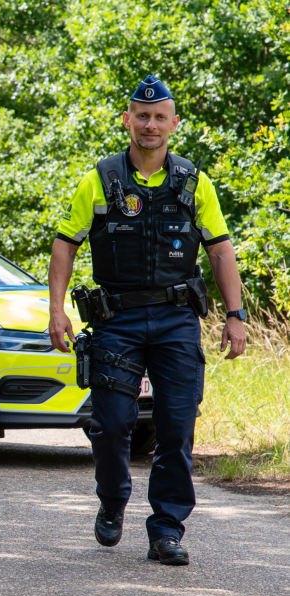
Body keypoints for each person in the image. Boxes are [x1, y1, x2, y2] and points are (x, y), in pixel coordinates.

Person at [48, 75, 247, 565]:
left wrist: (235, 315)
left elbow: (220, 251)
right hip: (117, 322)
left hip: (177, 320)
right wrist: (57, 310)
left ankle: (166, 529)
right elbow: (65, 245)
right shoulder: (100, 181)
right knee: (111, 425)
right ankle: (113, 498)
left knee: (176, 427)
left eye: (160, 117)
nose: (150, 124)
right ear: (127, 120)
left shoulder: (195, 183)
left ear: (174, 123)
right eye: (142, 116)